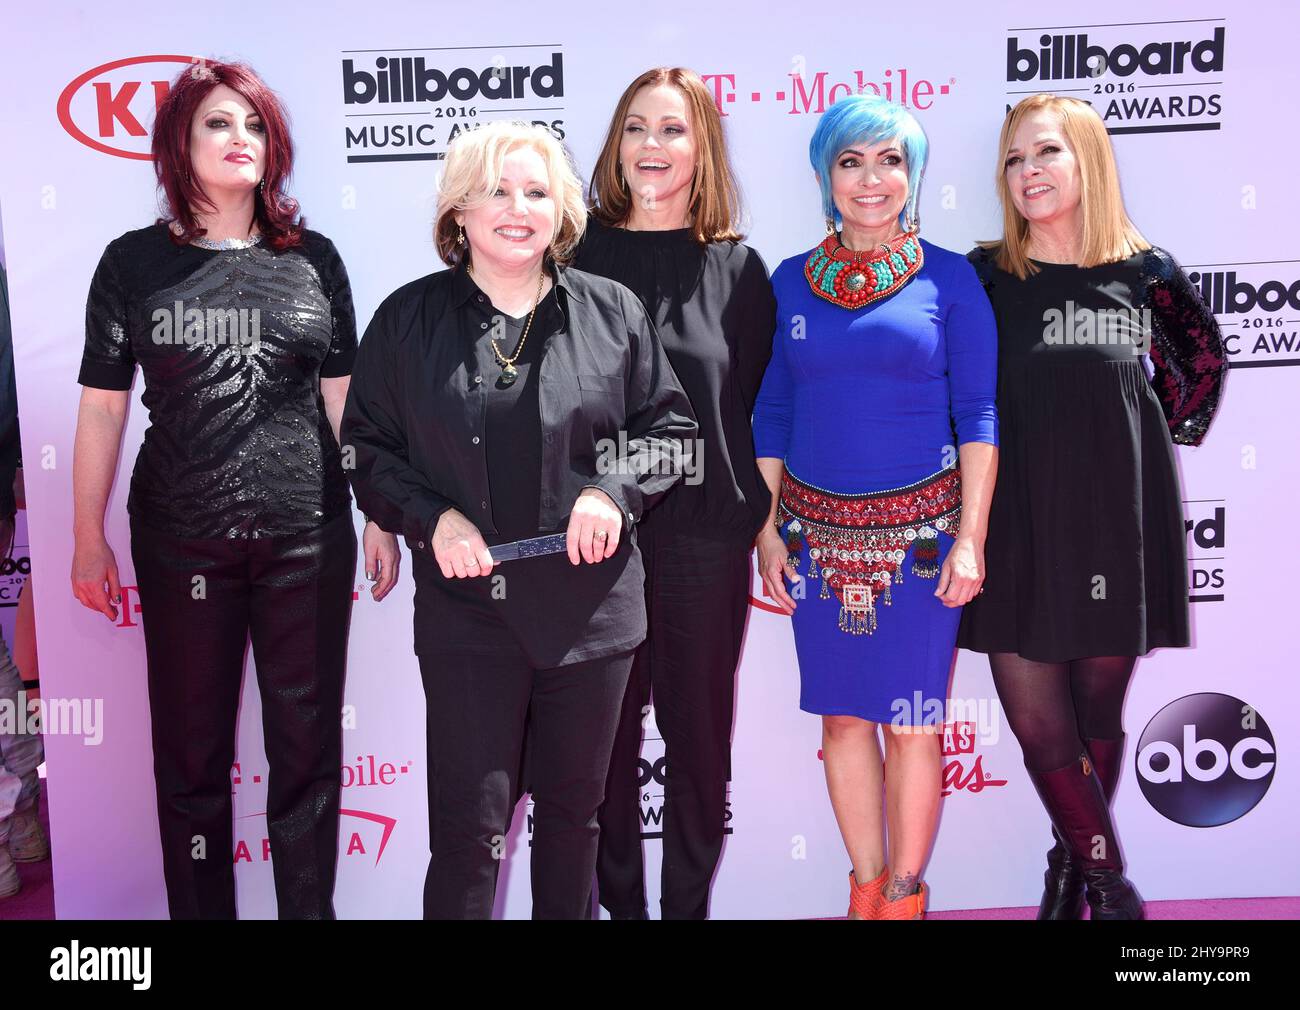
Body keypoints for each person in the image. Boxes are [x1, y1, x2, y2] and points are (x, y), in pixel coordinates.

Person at [340, 120, 697, 920]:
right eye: (495, 189)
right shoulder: (406, 320)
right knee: (470, 833)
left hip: (593, 613)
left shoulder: (614, 312)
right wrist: (431, 520)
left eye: (536, 191)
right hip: (470, 618)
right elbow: (364, 450)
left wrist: (613, 491)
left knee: (575, 822)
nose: (517, 206)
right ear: (458, 210)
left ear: (561, 211)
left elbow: (674, 438)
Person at [71, 60, 398, 919]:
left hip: (308, 539)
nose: (240, 141)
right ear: (179, 140)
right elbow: (103, 409)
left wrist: (377, 512)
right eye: (219, 123)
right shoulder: (133, 264)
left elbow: (343, 402)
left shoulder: (314, 260)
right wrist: (85, 536)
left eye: (254, 126)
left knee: (306, 753)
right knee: (190, 759)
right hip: (182, 540)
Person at [956, 93, 1227, 920]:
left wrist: (1150, 439)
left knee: (1096, 712)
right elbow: (955, 393)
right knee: (1041, 726)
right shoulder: (984, 274)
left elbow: (1203, 363)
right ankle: (1107, 885)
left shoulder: (1145, 272)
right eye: (1013, 159)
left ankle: (1070, 873)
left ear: (1088, 161)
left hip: (1117, 521)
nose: (1027, 172)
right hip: (1016, 522)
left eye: (1045, 153)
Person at [753, 94, 998, 920]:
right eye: (852, 161)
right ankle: (863, 887)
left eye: (890, 160)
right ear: (827, 173)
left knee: (914, 724)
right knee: (843, 724)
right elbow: (771, 417)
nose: (871, 179)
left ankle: (906, 894)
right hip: (815, 543)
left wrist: (971, 539)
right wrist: (765, 529)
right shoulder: (789, 281)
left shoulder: (952, 279)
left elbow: (981, 415)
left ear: (913, 174)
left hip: (925, 547)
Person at [575, 67, 776, 920]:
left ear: (703, 149)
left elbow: (761, 412)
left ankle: (686, 909)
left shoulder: (736, 268)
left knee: (699, 744)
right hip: (598, 539)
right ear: (616, 146)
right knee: (603, 747)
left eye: (673, 130)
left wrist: (767, 527)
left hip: (703, 537)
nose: (652, 147)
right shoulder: (568, 255)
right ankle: (622, 909)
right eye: (635, 129)